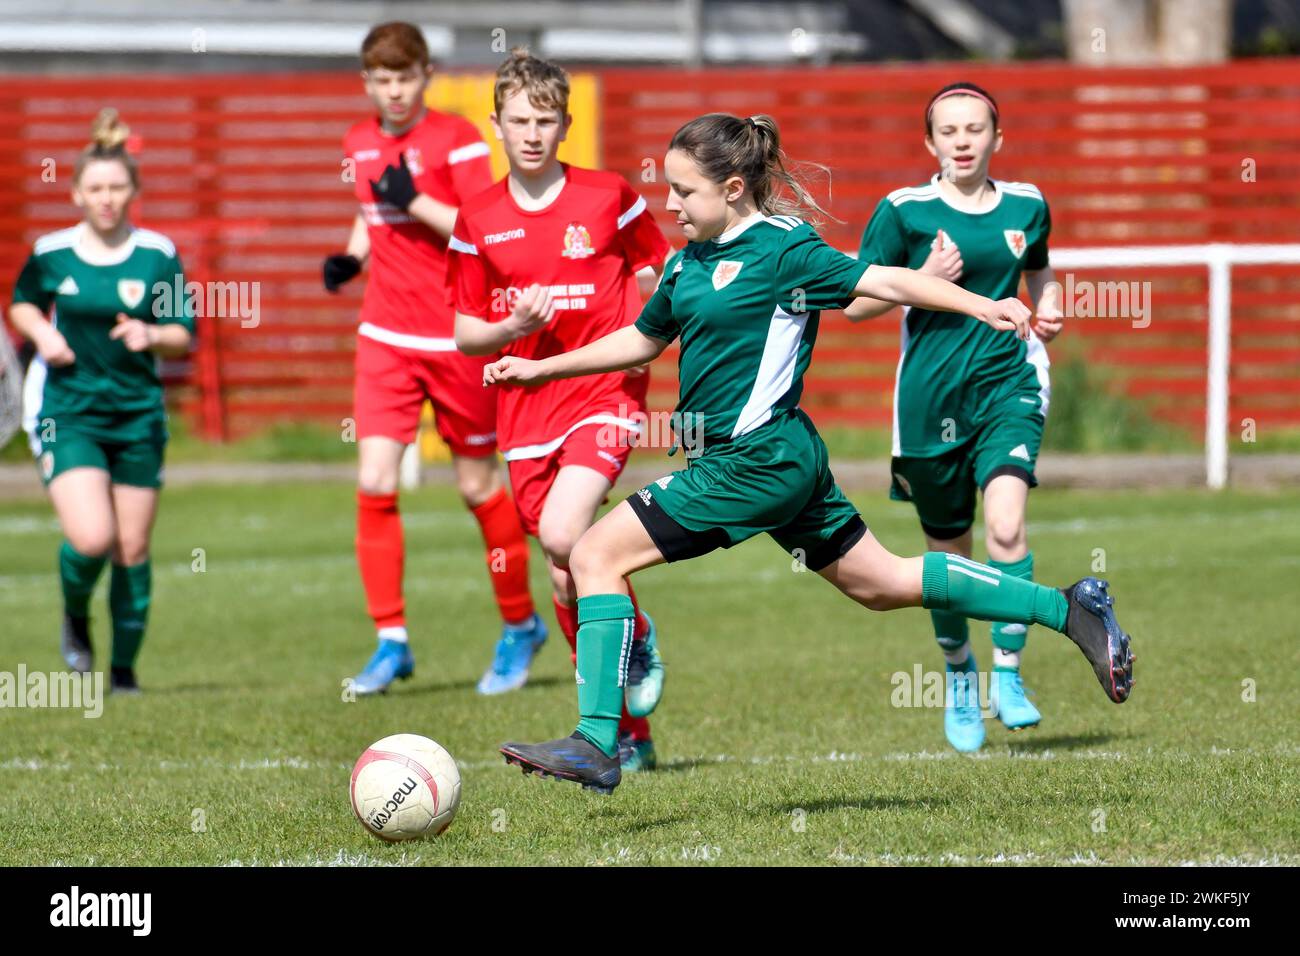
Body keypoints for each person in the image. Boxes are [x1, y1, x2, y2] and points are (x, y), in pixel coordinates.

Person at [484, 113, 1134, 794]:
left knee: (591, 554)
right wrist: (539, 370)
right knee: (884, 585)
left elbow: (889, 281)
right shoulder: (688, 261)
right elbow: (643, 341)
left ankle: (596, 740)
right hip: (769, 464)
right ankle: (1071, 609)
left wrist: (978, 303)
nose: (668, 204)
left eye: (683, 191)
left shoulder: (786, 250)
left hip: (754, 462)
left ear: (733, 187)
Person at [449, 50, 672, 769]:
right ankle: (626, 734)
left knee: (566, 529)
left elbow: (658, 265)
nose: (533, 133)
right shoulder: (477, 217)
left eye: (546, 120)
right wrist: (511, 327)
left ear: (566, 124)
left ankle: (635, 639)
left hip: (605, 391)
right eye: (519, 121)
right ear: (496, 125)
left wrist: (650, 329)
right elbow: (463, 331)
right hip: (525, 401)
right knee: (564, 569)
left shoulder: (610, 195)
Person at [323, 22, 544, 695]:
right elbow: (371, 211)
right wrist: (352, 255)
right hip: (385, 337)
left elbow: (485, 228)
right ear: (367, 82)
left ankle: (520, 625)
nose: (394, 91)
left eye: (405, 77)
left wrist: (412, 200)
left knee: (477, 487)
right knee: (376, 481)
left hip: (459, 336)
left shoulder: (458, 139)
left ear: (426, 75)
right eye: (381, 80)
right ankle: (391, 640)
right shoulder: (357, 142)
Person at [846, 82, 1063, 752]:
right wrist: (927, 272)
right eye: (950, 131)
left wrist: (1049, 307)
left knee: (1006, 521)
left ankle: (1007, 673)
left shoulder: (1028, 203)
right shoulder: (903, 211)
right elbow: (852, 302)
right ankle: (959, 675)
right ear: (930, 142)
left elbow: (1041, 272)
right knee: (948, 555)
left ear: (998, 138)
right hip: (929, 402)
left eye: (975, 130)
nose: (963, 141)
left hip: (1008, 382)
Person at [8, 108, 195, 693]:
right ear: (76, 192)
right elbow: (20, 304)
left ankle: (123, 675)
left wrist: (152, 334)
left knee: (133, 545)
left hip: (137, 412)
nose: (107, 198)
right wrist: (43, 334)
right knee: (92, 537)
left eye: (117, 187)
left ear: (134, 191)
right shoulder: (52, 252)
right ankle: (74, 615)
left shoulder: (157, 253)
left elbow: (182, 329)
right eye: (96, 188)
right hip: (69, 412)